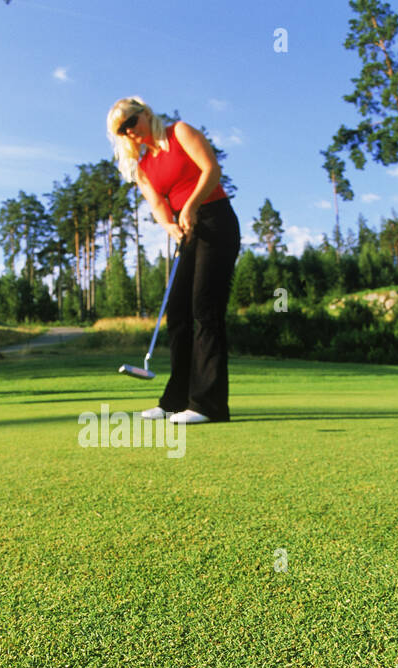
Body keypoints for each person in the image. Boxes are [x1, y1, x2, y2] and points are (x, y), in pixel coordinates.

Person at [108, 97, 241, 424]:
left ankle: (208, 405)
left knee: (204, 310)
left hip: (216, 221)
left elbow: (211, 169)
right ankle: (175, 400)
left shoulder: (180, 132)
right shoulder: (143, 166)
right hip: (186, 229)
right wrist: (168, 224)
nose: (130, 132)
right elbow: (156, 204)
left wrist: (191, 206)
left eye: (131, 122)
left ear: (146, 114)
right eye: (122, 130)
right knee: (178, 313)